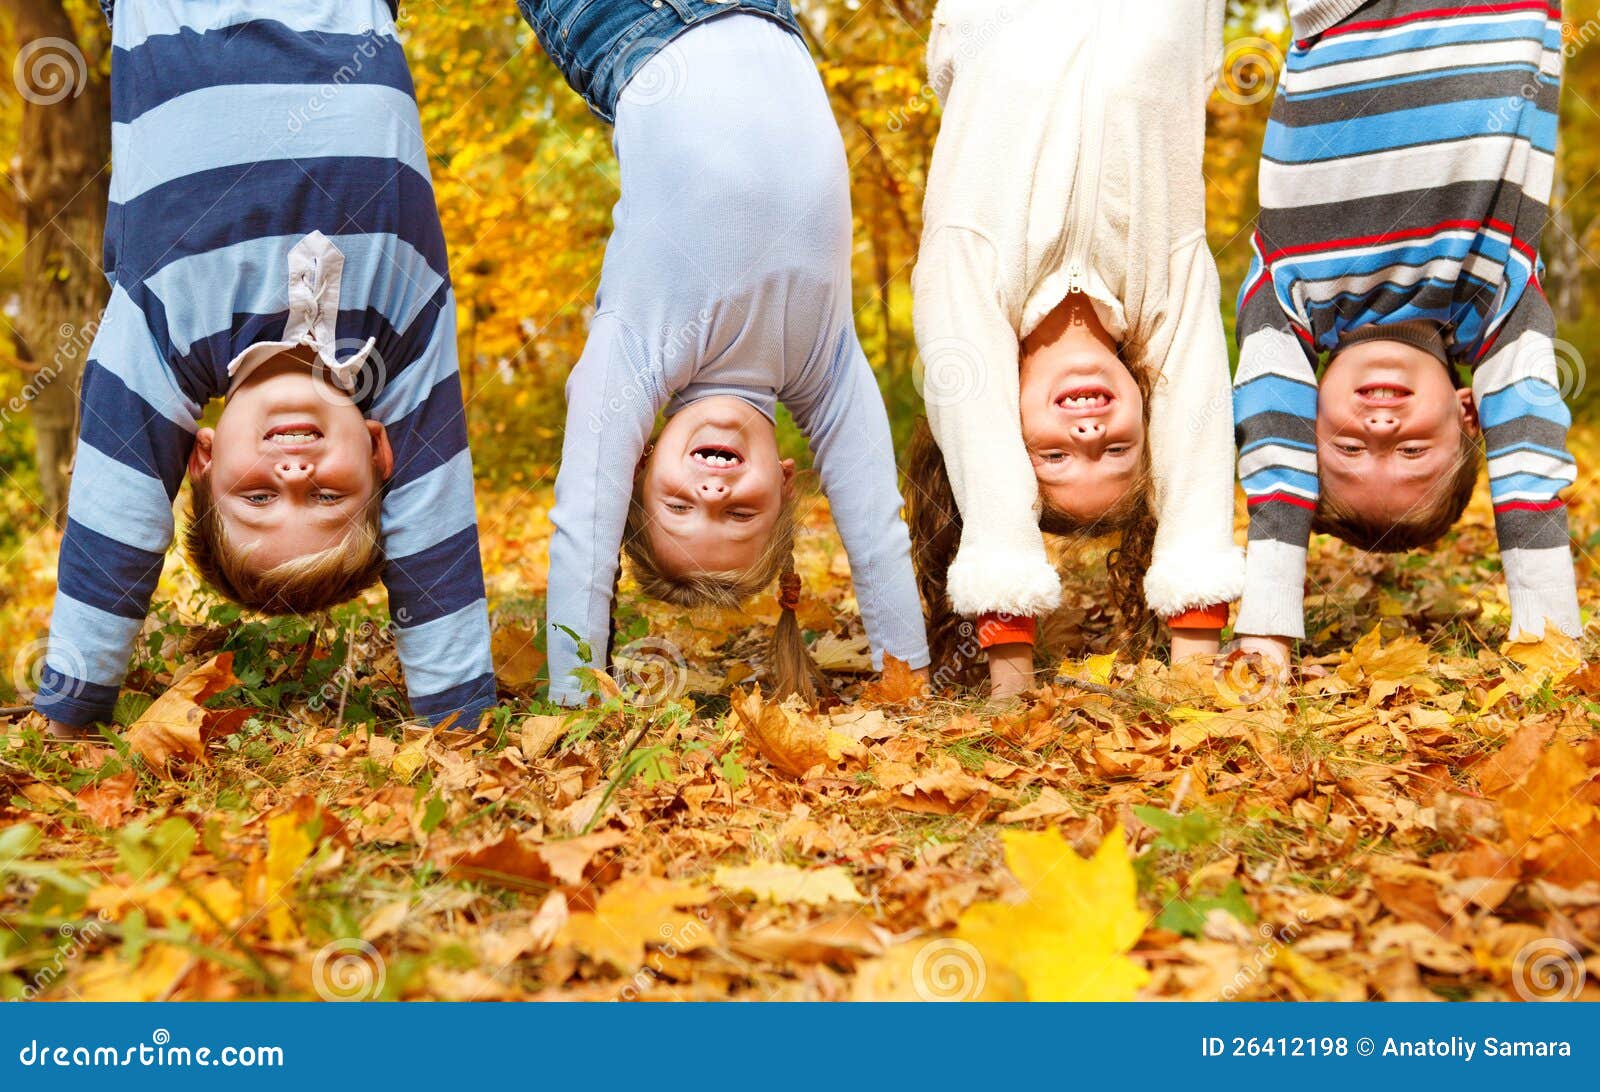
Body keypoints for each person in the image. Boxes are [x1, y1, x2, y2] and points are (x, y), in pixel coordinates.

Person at [37, 0, 494, 735]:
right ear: (381, 454)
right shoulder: (404, 331)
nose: (293, 478)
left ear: (201, 456)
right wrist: (457, 717)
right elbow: (436, 529)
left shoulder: (162, 334)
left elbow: (114, 512)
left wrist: (73, 706)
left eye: (255, 499)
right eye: (326, 500)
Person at [521, 0, 930, 705]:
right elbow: (876, 529)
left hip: (628, 22)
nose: (712, 495)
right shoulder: (821, 367)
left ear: (639, 467)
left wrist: (576, 704)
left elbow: (582, 527)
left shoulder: (635, 356)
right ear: (786, 482)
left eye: (678, 507)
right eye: (740, 516)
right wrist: (912, 680)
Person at [908, 0, 1245, 697]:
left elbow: (983, 462)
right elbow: (1200, 444)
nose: (1089, 431)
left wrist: (1011, 684)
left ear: (1012, 433)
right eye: (1117, 451)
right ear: (1146, 425)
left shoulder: (967, 279)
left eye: (1055, 455)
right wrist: (1197, 684)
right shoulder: (1165, 285)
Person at [1233, 0, 1579, 666]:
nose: (1383, 432)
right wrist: (1552, 644)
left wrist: (1267, 626)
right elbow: (1531, 467)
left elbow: (1270, 449)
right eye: (1416, 450)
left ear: (1305, 418)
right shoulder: (1497, 302)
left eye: (1349, 448)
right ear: (1470, 412)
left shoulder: (1289, 295)